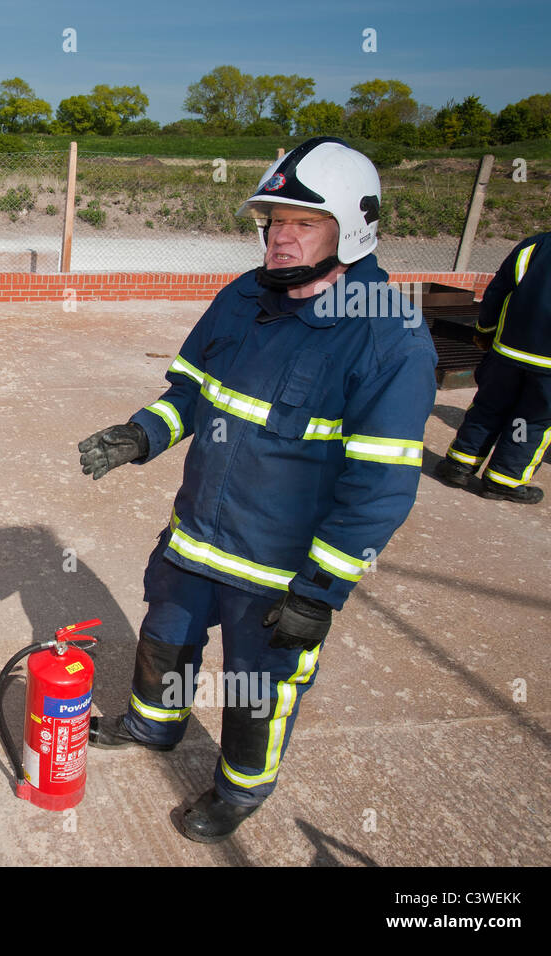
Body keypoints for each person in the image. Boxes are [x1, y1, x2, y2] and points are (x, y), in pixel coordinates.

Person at [79, 137, 437, 843]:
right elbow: (193, 392)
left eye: (302, 222)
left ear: (352, 228)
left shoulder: (389, 338)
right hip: (197, 537)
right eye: (273, 220)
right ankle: (154, 726)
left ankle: (241, 790)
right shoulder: (243, 297)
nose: (279, 236)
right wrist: (140, 435)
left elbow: (381, 487)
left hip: (278, 573)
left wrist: (320, 591)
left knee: (257, 689)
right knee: (164, 638)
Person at [434, 229, 551, 503]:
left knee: (489, 406)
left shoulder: (538, 244)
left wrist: (484, 330)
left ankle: (459, 464)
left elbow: (499, 289)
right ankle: (503, 478)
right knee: (531, 420)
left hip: (507, 350)